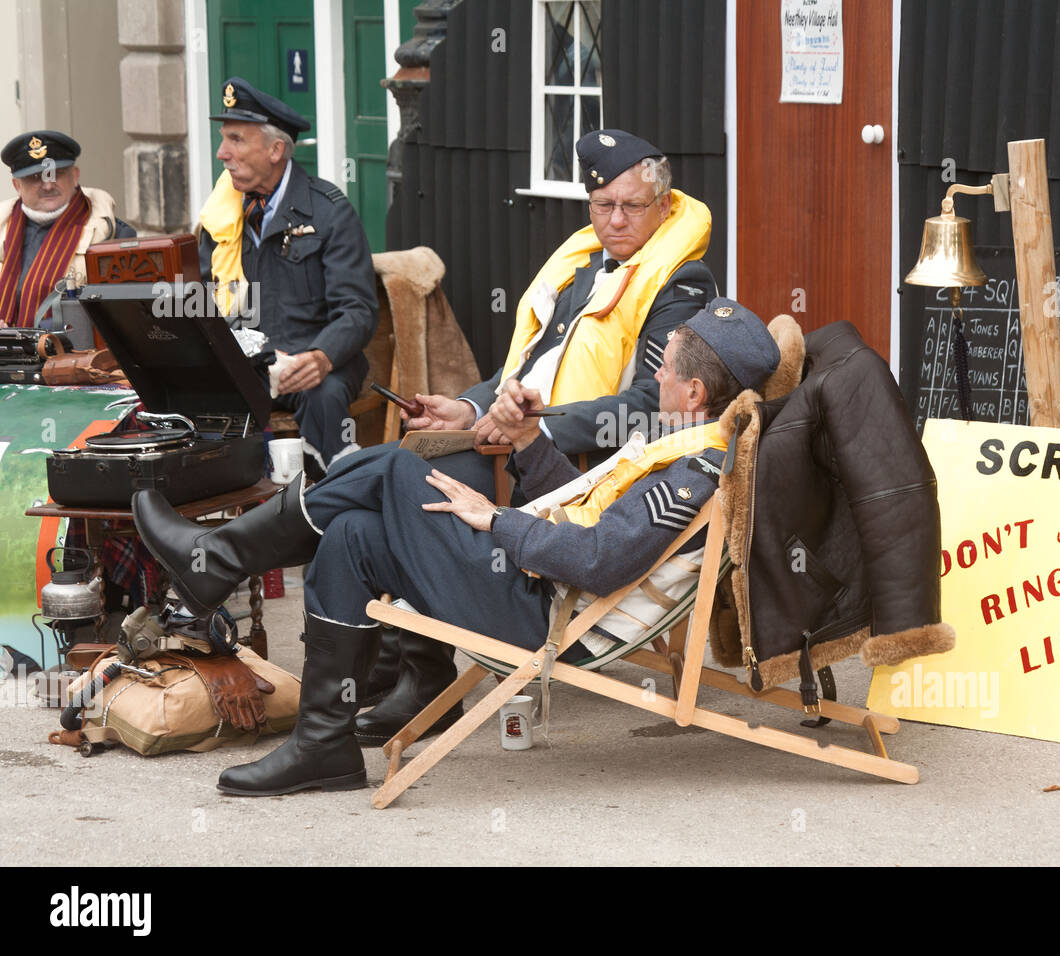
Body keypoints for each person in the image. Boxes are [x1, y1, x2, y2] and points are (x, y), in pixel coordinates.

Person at [131, 297, 778, 796]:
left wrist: (495, 520)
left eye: (665, 365)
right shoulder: (676, 449)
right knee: (355, 533)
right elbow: (580, 513)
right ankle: (324, 744)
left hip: (538, 615)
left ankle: (214, 559)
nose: (655, 372)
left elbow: (595, 560)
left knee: (392, 469)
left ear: (694, 392)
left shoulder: (692, 478)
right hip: (527, 588)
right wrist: (528, 441)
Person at [353, 127, 717, 744]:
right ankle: (395, 663)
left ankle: (418, 673)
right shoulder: (583, 268)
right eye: (603, 206)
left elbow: (650, 409)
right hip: (517, 442)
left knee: (408, 483)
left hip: (584, 464)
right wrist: (469, 408)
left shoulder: (681, 284)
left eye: (633, 205)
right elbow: (529, 366)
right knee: (395, 469)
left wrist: (528, 423)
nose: (617, 219)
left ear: (664, 205)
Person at [198, 77, 377, 476]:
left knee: (324, 395)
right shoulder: (220, 215)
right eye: (224, 138)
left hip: (312, 359)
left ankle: (333, 505)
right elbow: (203, 297)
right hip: (247, 362)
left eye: (236, 140)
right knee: (193, 396)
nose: (221, 152)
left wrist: (323, 355)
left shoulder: (329, 212)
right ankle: (227, 507)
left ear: (276, 150)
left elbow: (358, 309)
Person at [0, 130, 134, 328]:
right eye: (35, 177)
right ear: (17, 185)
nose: (47, 185)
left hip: (77, 356)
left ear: (75, 176)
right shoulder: (4, 228)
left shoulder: (114, 235)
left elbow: (124, 316)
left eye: (56, 174)